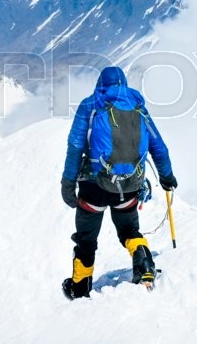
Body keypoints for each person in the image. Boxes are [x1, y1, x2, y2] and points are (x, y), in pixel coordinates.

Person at [60, 66, 177, 299]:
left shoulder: (90, 104)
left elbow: (75, 146)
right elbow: (159, 147)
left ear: (99, 83)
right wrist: (166, 177)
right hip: (129, 186)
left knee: (86, 239)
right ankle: (143, 261)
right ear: (123, 83)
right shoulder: (137, 107)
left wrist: (67, 183)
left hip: (93, 188)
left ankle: (80, 286)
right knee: (128, 229)